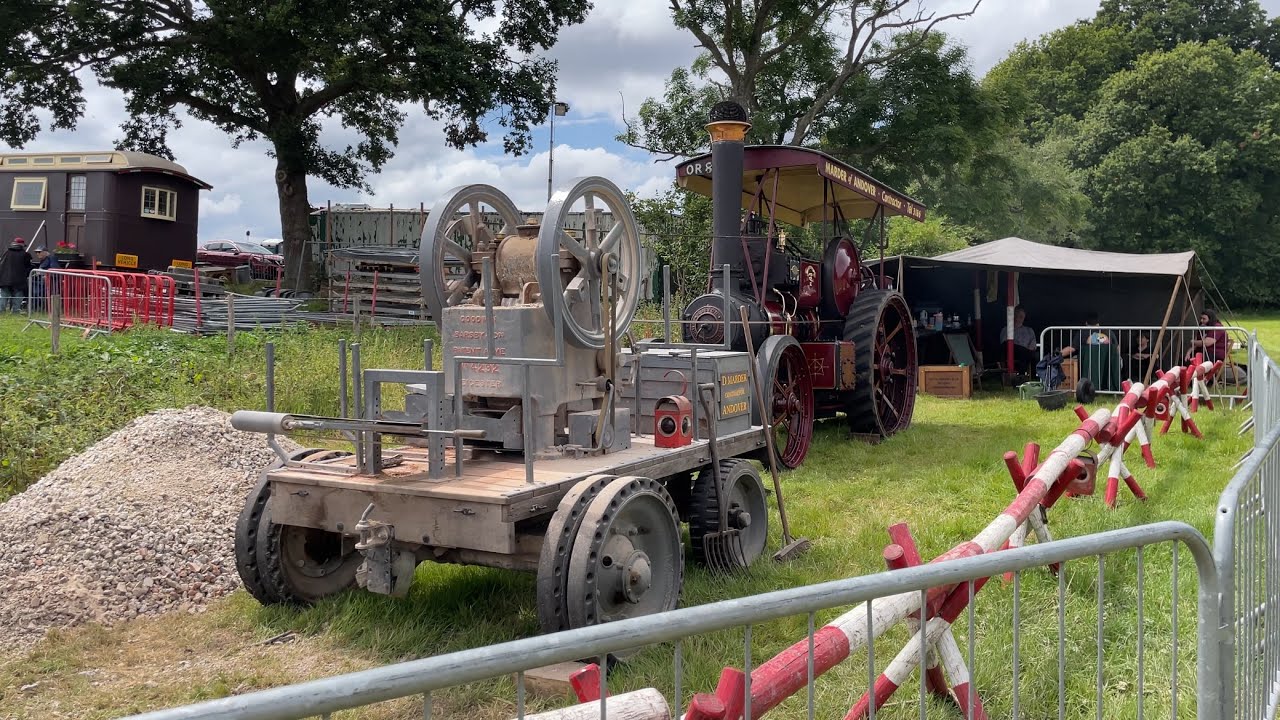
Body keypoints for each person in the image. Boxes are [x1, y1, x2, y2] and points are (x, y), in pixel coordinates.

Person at [1000, 304, 1038, 373]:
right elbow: (1004, 344)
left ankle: (1021, 375)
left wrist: (1026, 350)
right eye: (1018, 315)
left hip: (1026, 353)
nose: (1020, 318)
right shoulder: (1006, 329)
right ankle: (1017, 375)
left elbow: (1033, 345)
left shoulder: (1029, 330)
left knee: (1028, 353)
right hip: (1011, 352)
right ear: (1014, 316)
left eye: (1022, 316)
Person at [0, 237, 33, 313]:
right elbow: (28, 267)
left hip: (5, 279)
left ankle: (1, 311)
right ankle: (15, 311)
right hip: (19, 280)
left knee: (4, 296)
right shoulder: (25, 254)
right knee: (18, 296)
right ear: (21, 245)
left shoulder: (6, 252)